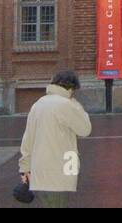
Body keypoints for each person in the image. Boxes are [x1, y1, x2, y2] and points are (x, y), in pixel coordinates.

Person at [18, 70, 91, 208]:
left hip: (39, 172)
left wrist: (24, 170)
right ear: (71, 88)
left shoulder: (38, 104)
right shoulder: (66, 104)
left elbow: (27, 140)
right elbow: (85, 129)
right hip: (58, 173)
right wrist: (75, 104)